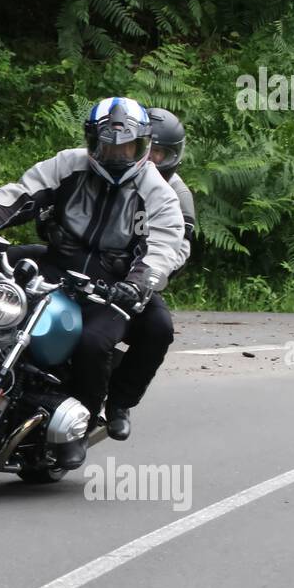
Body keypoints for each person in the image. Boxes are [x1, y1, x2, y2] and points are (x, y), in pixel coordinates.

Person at [0, 97, 184, 469]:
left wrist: (139, 283)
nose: (117, 154)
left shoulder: (159, 192)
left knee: (94, 342)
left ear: (142, 145)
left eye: (127, 146)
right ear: (92, 142)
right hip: (58, 262)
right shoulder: (68, 163)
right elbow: (23, 193)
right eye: (107, 145)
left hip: (110, 284)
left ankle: (81, 425)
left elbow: (163, 246)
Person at [104, 107, 195, 438]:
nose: (152, 160)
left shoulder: (176, 195)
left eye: (161, 152)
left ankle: (119, 401)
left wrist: (145, 276)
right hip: (85, 262)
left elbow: (179, 250)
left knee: (158, 328)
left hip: (135, 277)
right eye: (148, 148)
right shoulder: (105, 167)